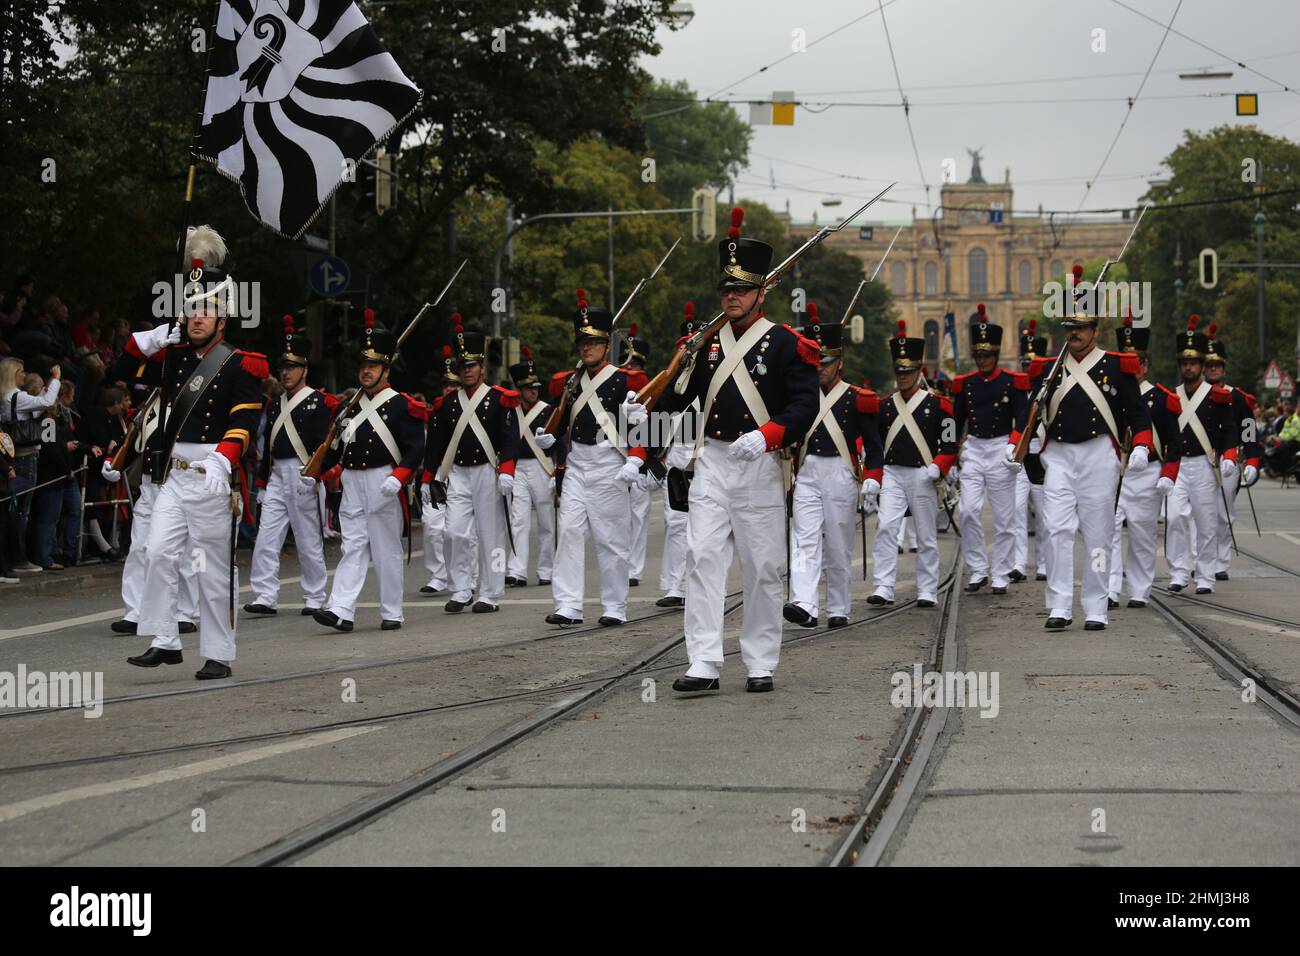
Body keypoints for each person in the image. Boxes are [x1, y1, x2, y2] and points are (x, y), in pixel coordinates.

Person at [666, 207, 820, 695]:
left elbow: (804, 406)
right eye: (726, 289)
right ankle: (705, 662)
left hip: (757, 463)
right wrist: (648, 400)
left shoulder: (785, 345)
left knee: (763, 566)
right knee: (701, 557)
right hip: (711, 460)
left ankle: (759, 661)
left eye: (741, 289)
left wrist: (770, 434)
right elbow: (676, 400)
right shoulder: (705, 346)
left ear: (761, 292)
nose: (731, 296)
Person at [118, 228, 270, 678]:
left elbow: (244, 420)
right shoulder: (174, 356)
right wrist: (148, 340)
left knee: (210, 567)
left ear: (222, 320)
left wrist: (224, 458)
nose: (196, 318)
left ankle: (219, 653)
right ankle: (165, 639)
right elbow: (125, 373)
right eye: (190, 310)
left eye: (205, 311)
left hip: (211, 473)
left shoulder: (241, 363)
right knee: (158, 552)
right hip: (171, 474)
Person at [1025, 267, 1152, 630]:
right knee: (1057, 531)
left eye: (1081, 327)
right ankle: (1060, 604)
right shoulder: (1049, 371)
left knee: (1097, 535)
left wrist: (1141, 446)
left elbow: (1138, 415)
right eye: (1069, 327)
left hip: (1099, 455)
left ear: (1094, 330)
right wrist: (1023, 441)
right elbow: (1030, 412)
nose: (1074, 334)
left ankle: (1096, 605)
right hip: (1060, 457)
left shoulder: (1116, 366)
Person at [314, 310, 427, 632]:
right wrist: (317, 471)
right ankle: (341, 610)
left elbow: (415, 447)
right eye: (363, 366)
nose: (366, 371)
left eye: (373, 366)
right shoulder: (349, 406)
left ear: (386, 370)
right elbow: (336, 446)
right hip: (352, 482)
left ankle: (392, 611)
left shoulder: (402, 405)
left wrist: (399, 477)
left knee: (386, 550)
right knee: (352, 546)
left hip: (383, 480)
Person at [545, 289, 648, 628]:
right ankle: (568, 605)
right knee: (570, 533)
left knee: (611, 540)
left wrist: (635, 459)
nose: (586, 348)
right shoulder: (569, 382)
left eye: (593, 342)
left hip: (610, 465)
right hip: (577, 465)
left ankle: (615, 605)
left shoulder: (625, 380)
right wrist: (551, 436)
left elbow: (641, 426)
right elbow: (562, 419)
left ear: (607, 346)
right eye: (582, 343)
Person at [783, 302, 882, 629]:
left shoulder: (856, 398)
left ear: (839, 363)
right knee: (804, 540)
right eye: (816, 363)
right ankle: (805, 604)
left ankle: (839, 607)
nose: (819, 369)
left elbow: (873, 443)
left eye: (825, 363)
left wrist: (874, 477)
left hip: (840, 474)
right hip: (808, 474)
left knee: (839, 546)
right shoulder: (800, 396)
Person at [244, 315, 337, 617]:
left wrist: (317, 475)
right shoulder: (274, 405)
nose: (286, 373)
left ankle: (314, 596)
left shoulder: (319, 403)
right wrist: (261, 483)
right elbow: (269, 449)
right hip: (276, 476)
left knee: (308, 537)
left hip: (303, 474)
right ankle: (264, 595)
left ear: (304, 370)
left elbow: (328, 445)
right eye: (283, 367)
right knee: (266, 538)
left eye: (292, 367)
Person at [425, 319, 518, 615]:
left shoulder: (498, 400)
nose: (467, 370)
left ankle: (490, 592)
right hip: (458, 474)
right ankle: (462, 588)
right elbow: (436, 445)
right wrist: (428, 478)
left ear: (482, 367)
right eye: (462, 365)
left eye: (472, 365)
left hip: (487, 472)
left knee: (490, 534)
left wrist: (507, 471)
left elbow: (510, 437)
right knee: (454, 532)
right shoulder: (447, 404)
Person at [870, 322, 957, 610]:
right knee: (885, 527)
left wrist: (939, 467)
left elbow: (949, 444)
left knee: (925, 535)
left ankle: (927, 588)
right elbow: (877, 444)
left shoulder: (939, 405)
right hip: (893, 473)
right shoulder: (885, 407)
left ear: (919, 370)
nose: (903, 376)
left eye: (908, 371)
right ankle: (883, 586)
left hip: (923, 473)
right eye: (899, 371)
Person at [950, 306, 1029, 595]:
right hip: (974, 448)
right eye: (979, 354)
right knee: (968, 511)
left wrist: (1014, 445)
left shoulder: (1011, 382)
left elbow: (1023, 417)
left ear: (995, 354)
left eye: (987, 354)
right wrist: (947, 458)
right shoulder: (966, 385)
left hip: (1000, 448)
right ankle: (978, 568)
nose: (982, 359)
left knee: (1005, 518)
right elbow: (955, 423)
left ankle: (1001, 572)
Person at [1106, 316, 1181, 608]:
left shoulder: (1162, 399)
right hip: (1112, 470)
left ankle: (1139, 589)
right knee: (1107, 531)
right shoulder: (1108, 393)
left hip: (1146, 472)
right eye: (1126, 360)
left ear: (1145, 364)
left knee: (1141, 533)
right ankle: (1110, 589)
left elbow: (1174, 442)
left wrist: (1168, 474)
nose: (1131, 366)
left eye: (1136, 361)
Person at [1164, 316, 1237, 595]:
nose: (1188, 367)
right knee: (1175, 518)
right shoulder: (1172, 395)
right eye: (1184, 362)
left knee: (1206, 522)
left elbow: (1230, 430)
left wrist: (1229, 455)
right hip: (1179, 466)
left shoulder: (1216, 396)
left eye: (1193, 362)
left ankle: (1205, 575)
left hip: (1205, 465)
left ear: (1201, 365)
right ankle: (1179, 572)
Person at [1202, 325, 1262, 580]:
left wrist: (1253, 461)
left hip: (1228, 463)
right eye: (1209, 365)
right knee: (1201, 514)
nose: (1213, 369)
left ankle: (1221, 562)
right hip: (1201, 461)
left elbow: (1248, 432)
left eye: (1217, 365)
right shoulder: (1195, 396)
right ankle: (1204, 561)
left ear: (1224, 368)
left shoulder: (1238, 399)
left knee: (1223, 514)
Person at [656, 302, 702, 609]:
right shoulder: (673, 382)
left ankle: (696, 583)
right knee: (675, 522)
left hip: (707, 452)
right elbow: (655, 419)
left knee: (704, 524)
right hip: (677, 453)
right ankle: (675, 585)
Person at [0, 355, 61, 573]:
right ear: (12, 375)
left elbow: (35, 410)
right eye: (21, 373)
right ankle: (17, 557)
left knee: (18, 510)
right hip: (24, 457)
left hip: (19, 455)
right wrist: (55, 380)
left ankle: (16, 556)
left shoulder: (11, 399)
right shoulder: (14, 396)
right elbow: (46, 403)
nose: (24, 376)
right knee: (20, 511)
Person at [504, 345, 556, 588]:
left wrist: (558, 469)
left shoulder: (547, 411)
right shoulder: (510, 412)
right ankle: (517, 571)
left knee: (546, 522)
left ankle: (546, 570)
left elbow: (559, 440)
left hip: (542, 467)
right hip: (517, 470)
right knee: (519, 520)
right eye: (528, 388)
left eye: (535, 388)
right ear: (520, 389)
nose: (533, 392)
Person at [418, 346, 463, 595]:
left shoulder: (471, 409)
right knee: (432, 525)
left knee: (463, 531)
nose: (449, 390)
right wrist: (426, 479)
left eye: (454, 385)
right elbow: (432, 448)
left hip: (465, 472)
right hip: (439, 475)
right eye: (446, 385)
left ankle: (469, 575)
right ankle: (439, 574)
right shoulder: (436, 412)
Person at [1013, 320, 1049, 581]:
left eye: (1033, 363)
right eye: (1025, 363)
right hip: (1017, 454)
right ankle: (1018, 562)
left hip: (1040, 453)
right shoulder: (1015, 390)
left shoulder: (1048, 390)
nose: (1029, 368)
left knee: (1045, 512)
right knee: (1015, 509)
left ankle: (1044, 564)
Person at [622, 324, 654, 588]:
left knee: (637, 516)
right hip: (612, 456)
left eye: (636, 366)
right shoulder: (613, 385)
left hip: (640, 461)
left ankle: (633, 569)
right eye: (629, 365)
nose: (632, 371)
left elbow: (656, 427)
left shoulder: (649, 388)